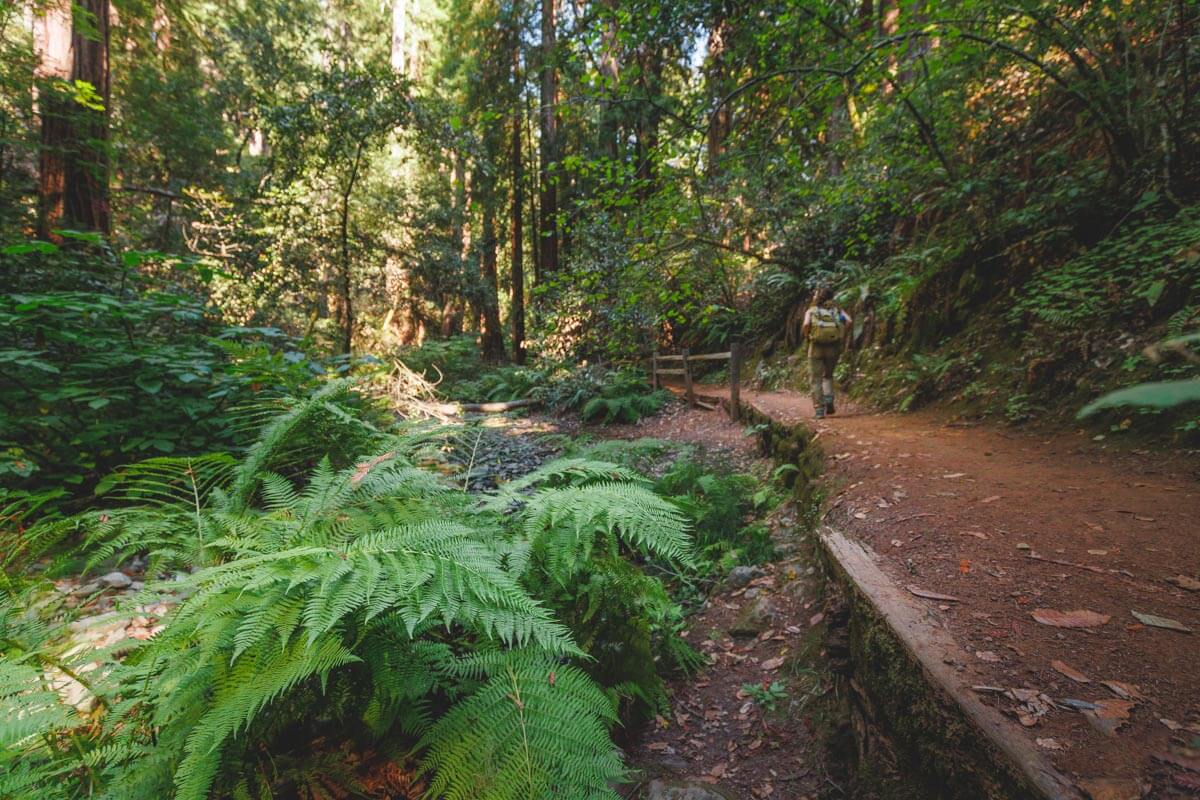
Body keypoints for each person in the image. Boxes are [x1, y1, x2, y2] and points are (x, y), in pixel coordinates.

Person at [800, 287, 851, 419]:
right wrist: (841, 334)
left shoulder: (811, 311)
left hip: (815, 347)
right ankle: (829, 400)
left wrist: (808, 337)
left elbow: (806, 325)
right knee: (827, 375)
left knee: (815, 379)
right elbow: (849, 321)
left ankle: (819, 411)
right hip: (833, 347)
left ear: (817, 297)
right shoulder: (837, 310)